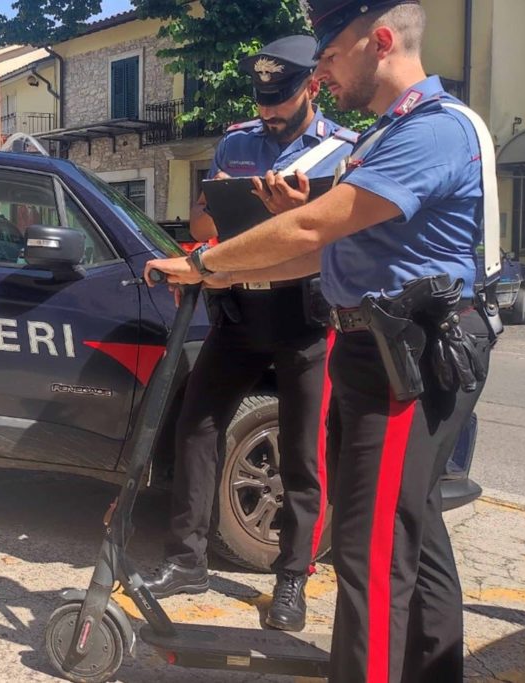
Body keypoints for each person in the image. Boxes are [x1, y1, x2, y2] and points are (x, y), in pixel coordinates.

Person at [144, 2, 498, 681]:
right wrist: (220, 271)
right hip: (381, 350)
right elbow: (316, 252)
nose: (322, 74)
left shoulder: (431, 132)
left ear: (381, 41)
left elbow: (310, 232)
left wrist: (207, 263)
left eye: (331, 57)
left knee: (368, 554)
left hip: (407, 359)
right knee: (414, 543)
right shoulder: (385, 136)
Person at [143, 35, 357, 635]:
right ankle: (186, 562)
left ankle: (292, 580)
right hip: (238, 309)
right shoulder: (238, 141)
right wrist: (220, 205)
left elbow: (343, 241)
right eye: (263, 97)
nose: (270, 109)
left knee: (302, 451)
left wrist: (292, 215)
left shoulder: (342, 150)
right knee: (196, 426)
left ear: (311, 86)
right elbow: (202, 223)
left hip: (305, 316)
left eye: (282, 97)